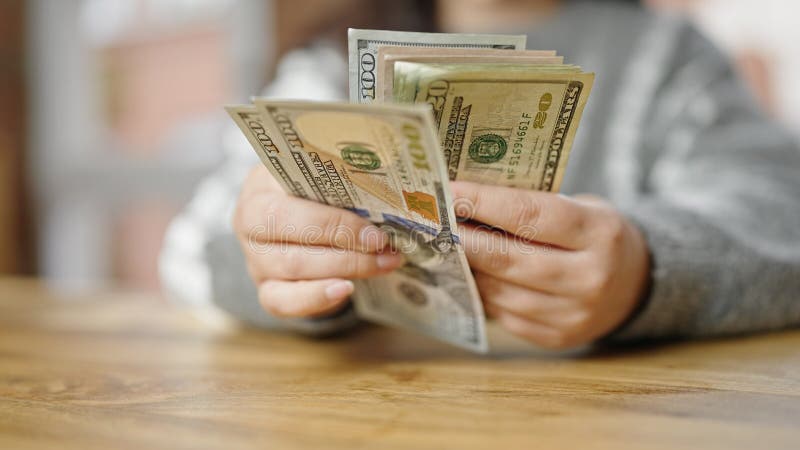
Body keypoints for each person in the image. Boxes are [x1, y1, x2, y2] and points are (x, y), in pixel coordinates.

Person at [159, 0, 800, 349]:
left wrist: (649, 269)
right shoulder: (329, 68)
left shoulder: (671, 61)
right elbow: (189, 251)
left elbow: (781, 214)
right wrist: (274, 262)